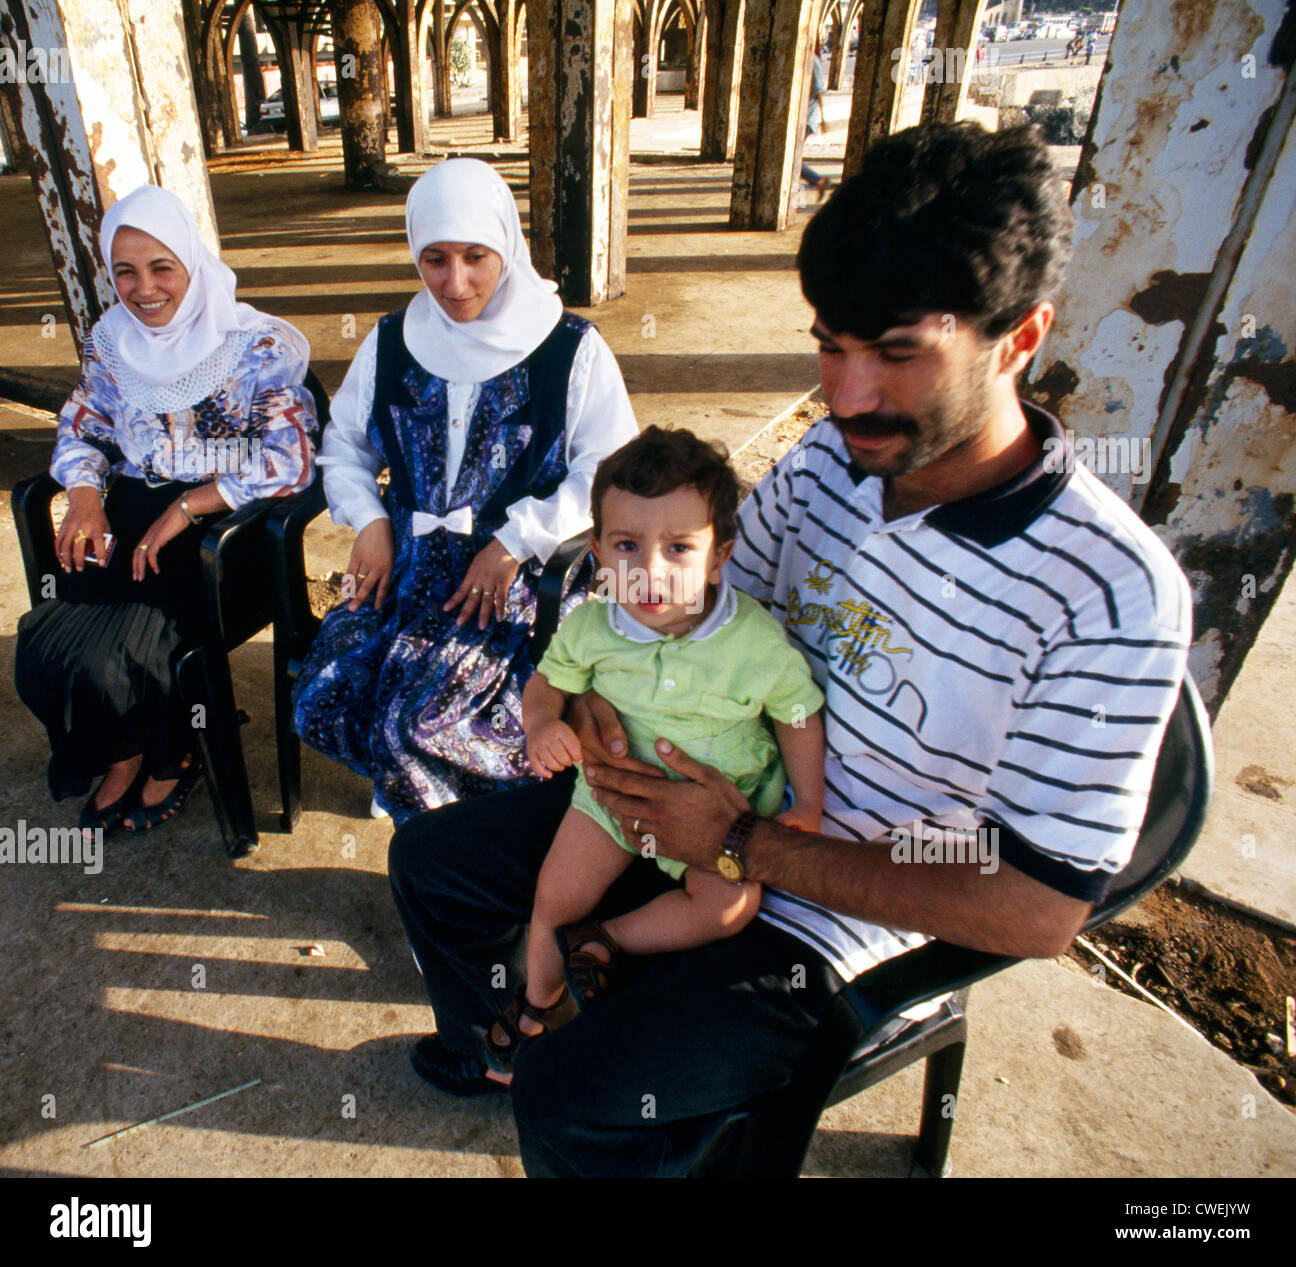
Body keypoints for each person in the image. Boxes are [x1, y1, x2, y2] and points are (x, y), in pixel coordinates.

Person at [388, 123, 1193, 1176]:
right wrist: (596, 695)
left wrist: (744, 845)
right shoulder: (826, 461)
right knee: (432, 865)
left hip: (848, 901)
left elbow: (1037, 905)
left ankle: (554, 1074)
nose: (847, 394)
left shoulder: (1110, 590)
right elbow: (703, 614)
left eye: (897, 353)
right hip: (681, 784)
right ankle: (499, 1046)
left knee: (577, 1101)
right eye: (829, 344)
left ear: (1019, 337)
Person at [291, 159, 637, 823]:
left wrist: (516, 538)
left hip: (516, 588)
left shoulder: (569, 349)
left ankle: (445, 851)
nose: (456, 282)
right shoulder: (394, 340)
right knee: (322, 697)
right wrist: (368, 521)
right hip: (406, 572)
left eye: (477, 256)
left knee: (418, 722)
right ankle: (419, 798)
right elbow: (343, 446)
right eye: (435, 259)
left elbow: (610, 473)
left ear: (506, 243)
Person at [482, 428, 825, 1079]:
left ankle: (608, 941)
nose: (649, 571)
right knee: (554, 895)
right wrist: (542, 723)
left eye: (679, 548)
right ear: (599, 548)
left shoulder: (754, 642)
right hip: (614, 796)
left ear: (719, 555)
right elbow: (547, 681)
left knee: (726, 906)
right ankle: (536, 1004)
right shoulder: (592, 625)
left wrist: (808, 802)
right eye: (627, 545)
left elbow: (798, 713)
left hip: (717, 816)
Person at [15, 184, 317, 841]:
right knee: (48, 650)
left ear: (190, 263)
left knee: (115, 655)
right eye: (124, 271)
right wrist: (87, 495)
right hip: (130, 506)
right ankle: (125, 750)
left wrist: (189, 505)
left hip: (223, 534)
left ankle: (171, 752)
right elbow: (81, 425)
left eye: (161, 268)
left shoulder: (255, 345)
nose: (142, 289)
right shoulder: (111, 342)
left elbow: (291, 458)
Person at [800, 50, 830, 204]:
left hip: (806, 118)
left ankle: (818, 180)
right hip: (799, 117)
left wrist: (824, 118)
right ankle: (817, 181)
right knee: (793, 158)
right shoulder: (801, 55)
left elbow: (819, 91)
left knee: (793, 158)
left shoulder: (813, 60)